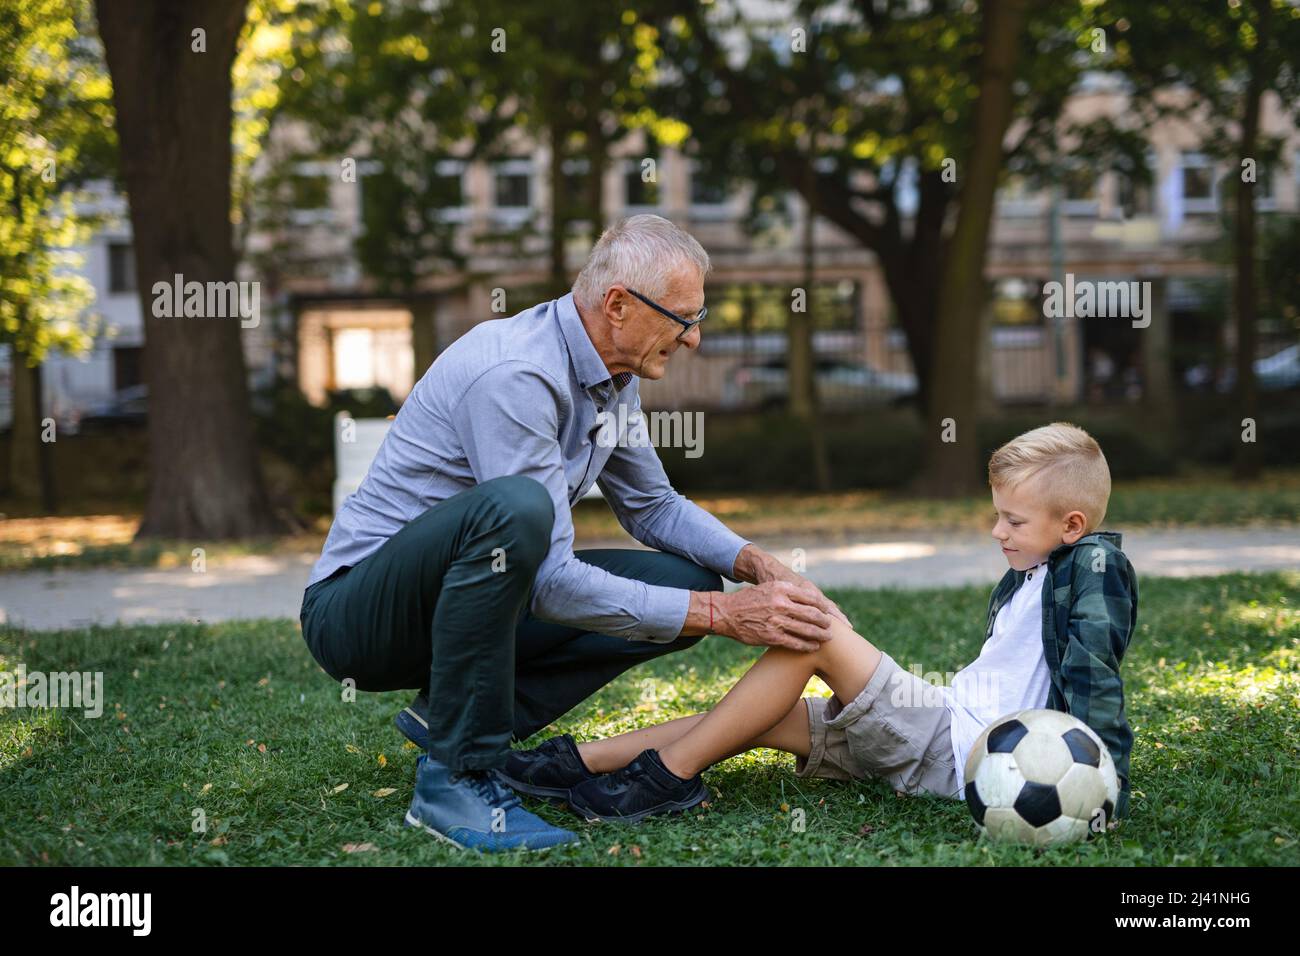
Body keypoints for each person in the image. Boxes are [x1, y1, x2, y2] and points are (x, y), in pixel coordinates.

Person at [299, 214, 846, 852]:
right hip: (359, 614)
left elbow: (653, 506)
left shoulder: (613, 378)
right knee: (520, 510)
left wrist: (755, 565)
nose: (694, 339)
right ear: (619, 305)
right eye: (684, 318)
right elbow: (551, 581)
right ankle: (453, 776)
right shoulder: (517, 374)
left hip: (460, 601)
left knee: (684, 578)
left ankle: (458, 722)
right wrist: (723, 615)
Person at [505, 423, 1138, 828]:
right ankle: (565, 765)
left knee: (811, 632)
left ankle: (665, 780)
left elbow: (1093, 674)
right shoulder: (1028, 575)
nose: (998, 531)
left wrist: (1101, 781)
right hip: (941, 724)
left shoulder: (1097, 567)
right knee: (755, 720)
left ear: (1073, 525)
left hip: (963, 751)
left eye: (1014, 521)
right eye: (998, 515)